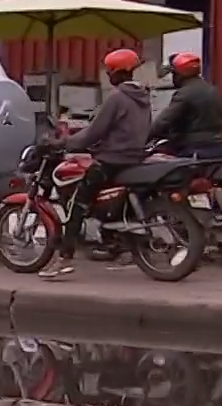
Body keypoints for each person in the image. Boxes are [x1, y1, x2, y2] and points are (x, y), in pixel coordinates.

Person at [40, 48, 154, 280]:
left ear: (120, 72)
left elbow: (94, 134)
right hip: (135, 158)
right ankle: (113, 240)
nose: (108, 75)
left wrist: (63, 143)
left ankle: (64, 259)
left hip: (112, 160)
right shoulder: (143, 97)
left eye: (110, 71)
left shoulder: (117, 97)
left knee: (76, 204)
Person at [150, 52, 222, 160]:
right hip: (216, 145)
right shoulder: (211, 89)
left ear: (180, 74)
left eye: (174, 74)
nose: (173, 78)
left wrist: (146, 137)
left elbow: (165, 121)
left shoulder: (185, 93)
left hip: (194, 148)